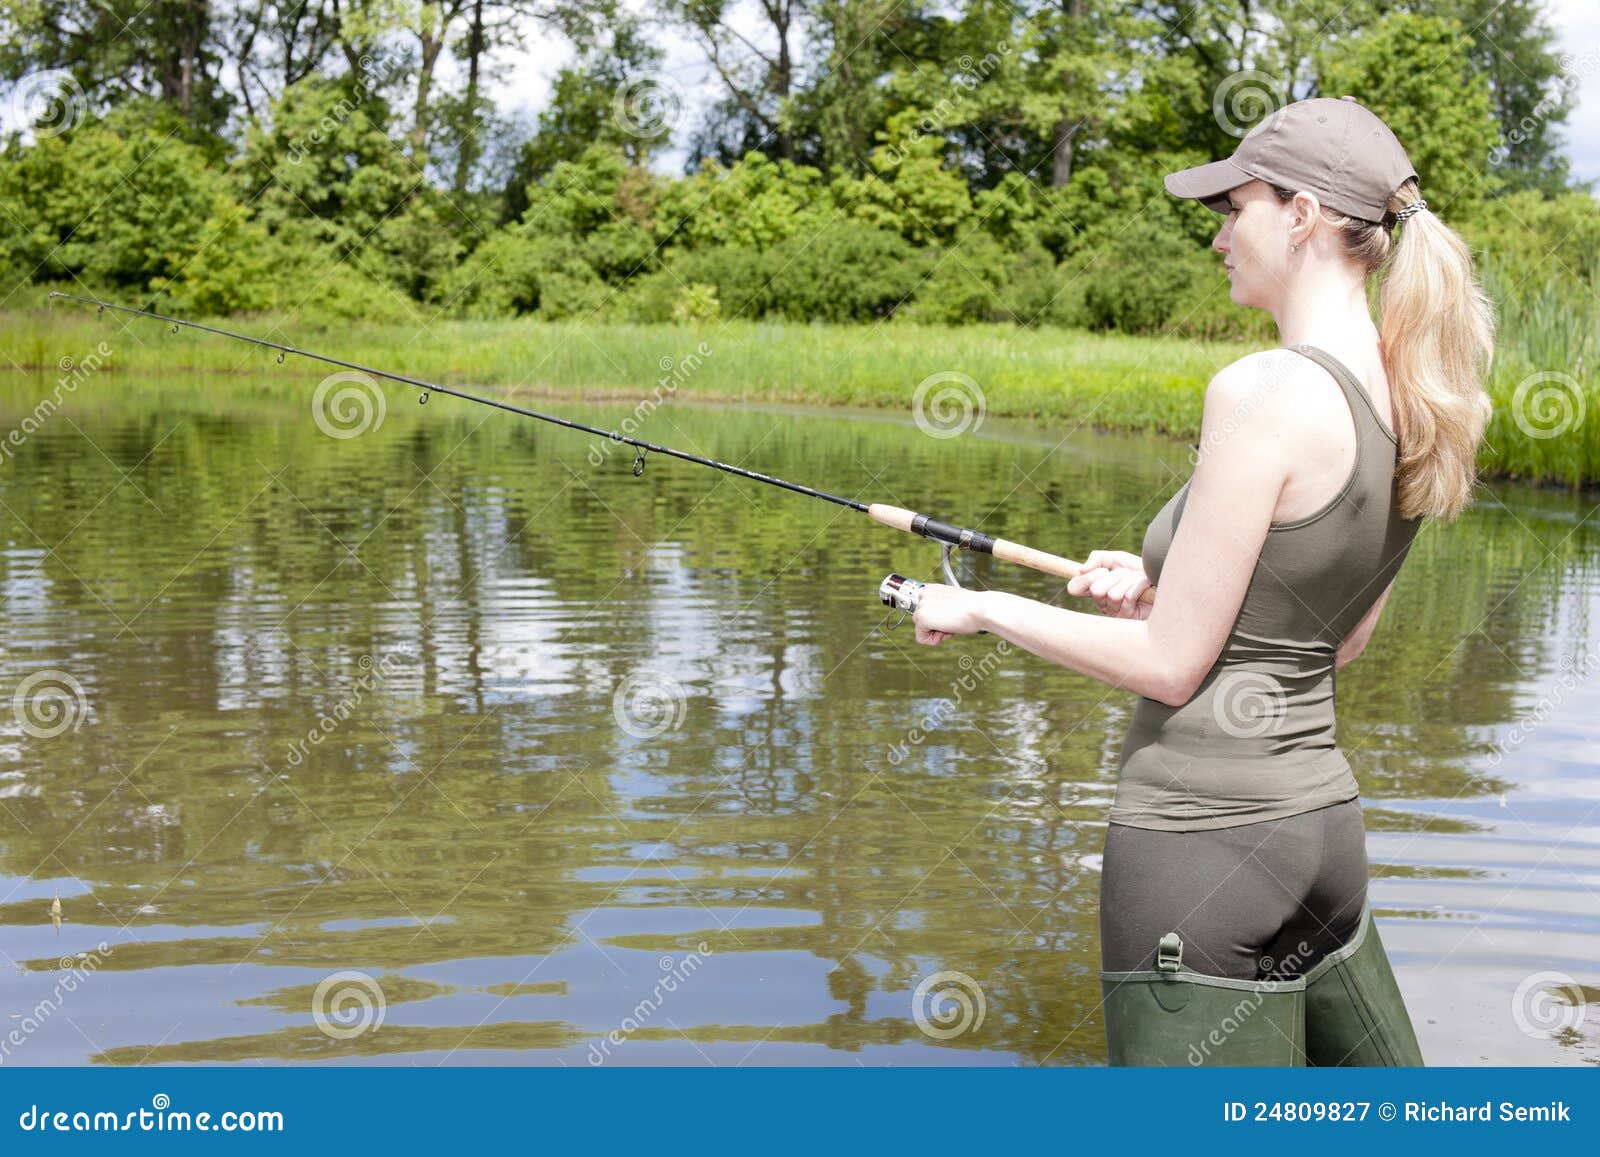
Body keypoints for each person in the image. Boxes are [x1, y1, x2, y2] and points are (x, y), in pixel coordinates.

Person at [906, 96, 1495, 1065]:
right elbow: (1331, 631)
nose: (1220, 234)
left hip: (1199, 852)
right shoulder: (1416, 393)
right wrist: (1162, 577)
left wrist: (978, 605)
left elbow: (1173, 665)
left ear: (1301, 215)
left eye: (1236, 207)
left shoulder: (1260, 390)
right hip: (1322, 845)